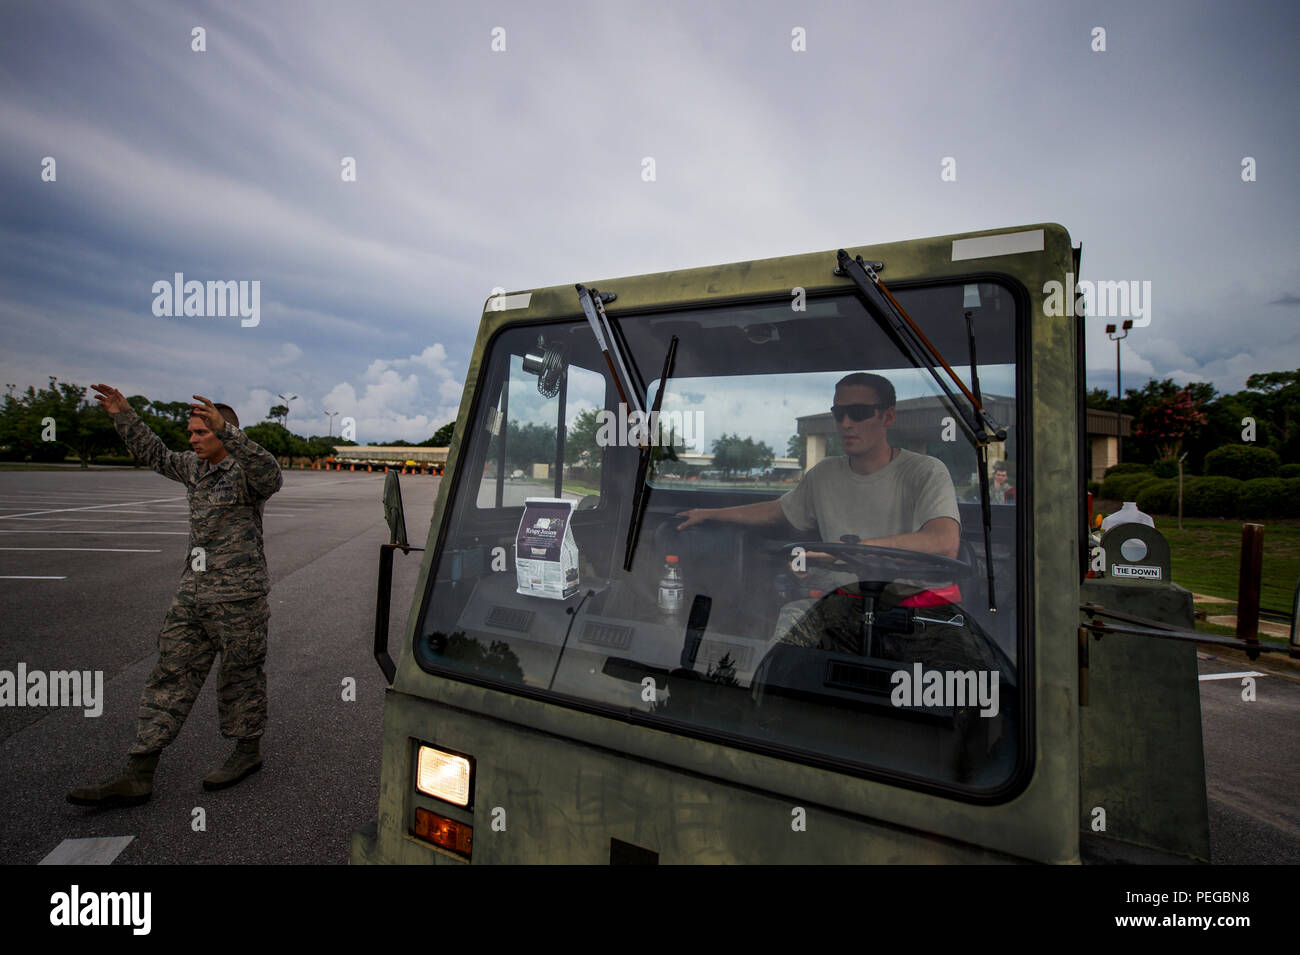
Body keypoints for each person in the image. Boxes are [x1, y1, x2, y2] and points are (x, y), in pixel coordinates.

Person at [67, 385, 282, 807]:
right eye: (191, 432)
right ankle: (139, 771)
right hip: (193, 594)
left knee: (240, 677)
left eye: (201, 432)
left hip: (239, 598)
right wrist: (124, 415)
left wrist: (232, 434)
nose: (192, 438)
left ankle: (246, 751)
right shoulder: (193, 468)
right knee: (170, 675)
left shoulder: (245, 473)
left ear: (223, 433)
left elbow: (272, 474)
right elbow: (155, 453)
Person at [675, 372, 963, 657]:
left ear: (888, 416)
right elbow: (776, 511)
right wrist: (709, 513)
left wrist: (846, 553)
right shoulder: (824, 475)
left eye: (859, 413)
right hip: (843, 607)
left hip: (918, 611)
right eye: (839, 414)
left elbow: (943, 542)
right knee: (784, 646)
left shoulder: (925, 471)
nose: (846, 423)